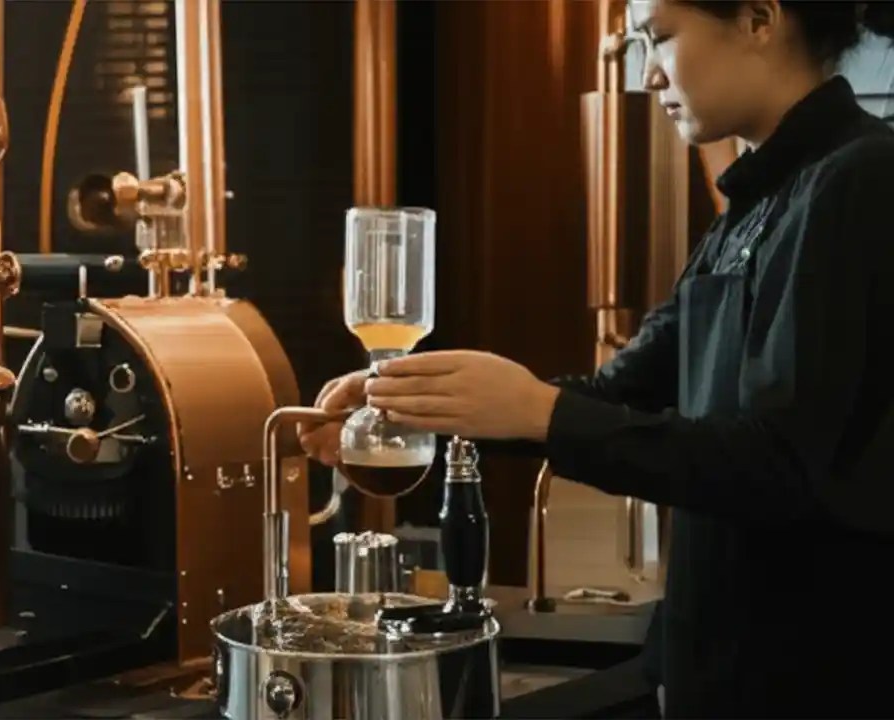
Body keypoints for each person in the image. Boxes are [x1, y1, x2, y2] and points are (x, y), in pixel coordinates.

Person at [300, 1, 894, 717]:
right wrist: (416, 404)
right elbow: (622, 392)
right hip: (708, 666)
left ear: (760, 19)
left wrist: (538, 410)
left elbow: (782, 463)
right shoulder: (749, 203)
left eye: (662, 38)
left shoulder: (861, 181)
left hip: (811, 678)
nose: (646, 74)